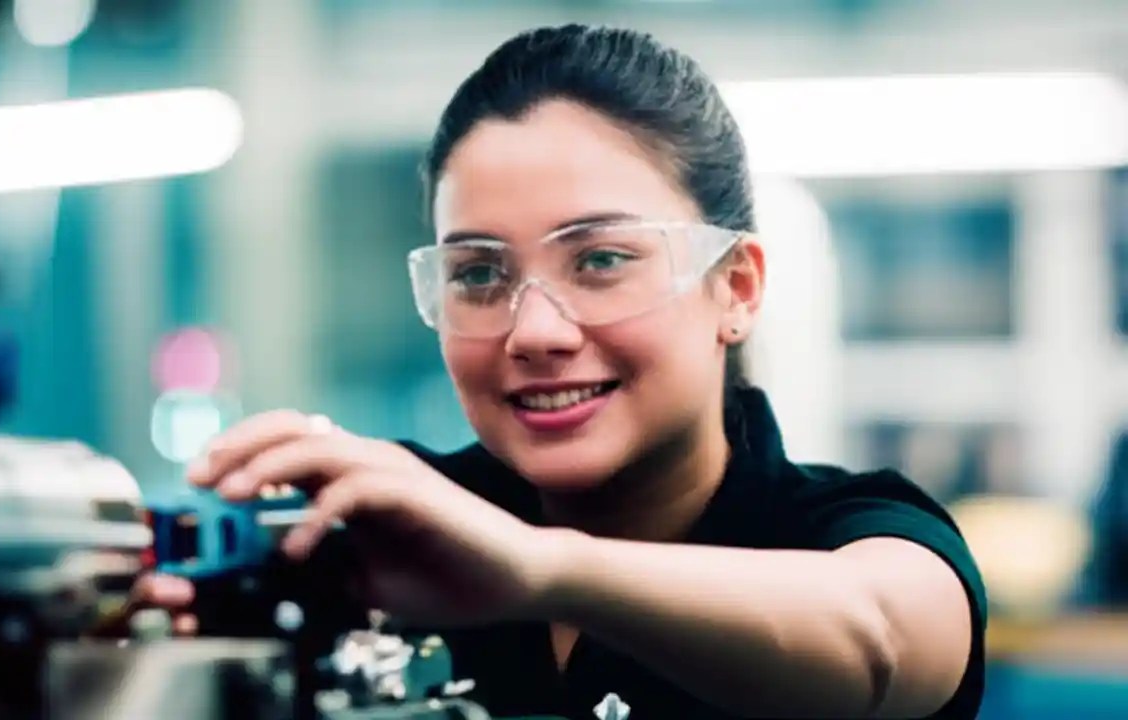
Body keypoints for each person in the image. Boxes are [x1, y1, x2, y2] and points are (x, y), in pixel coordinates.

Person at [132, 24, 986, 719]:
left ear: (736, 287)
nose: (534, 330)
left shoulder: (856, 533)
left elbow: (884, 645)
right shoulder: (375, 534)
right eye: (478, 274)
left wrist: (536, 568)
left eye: (603, 260)